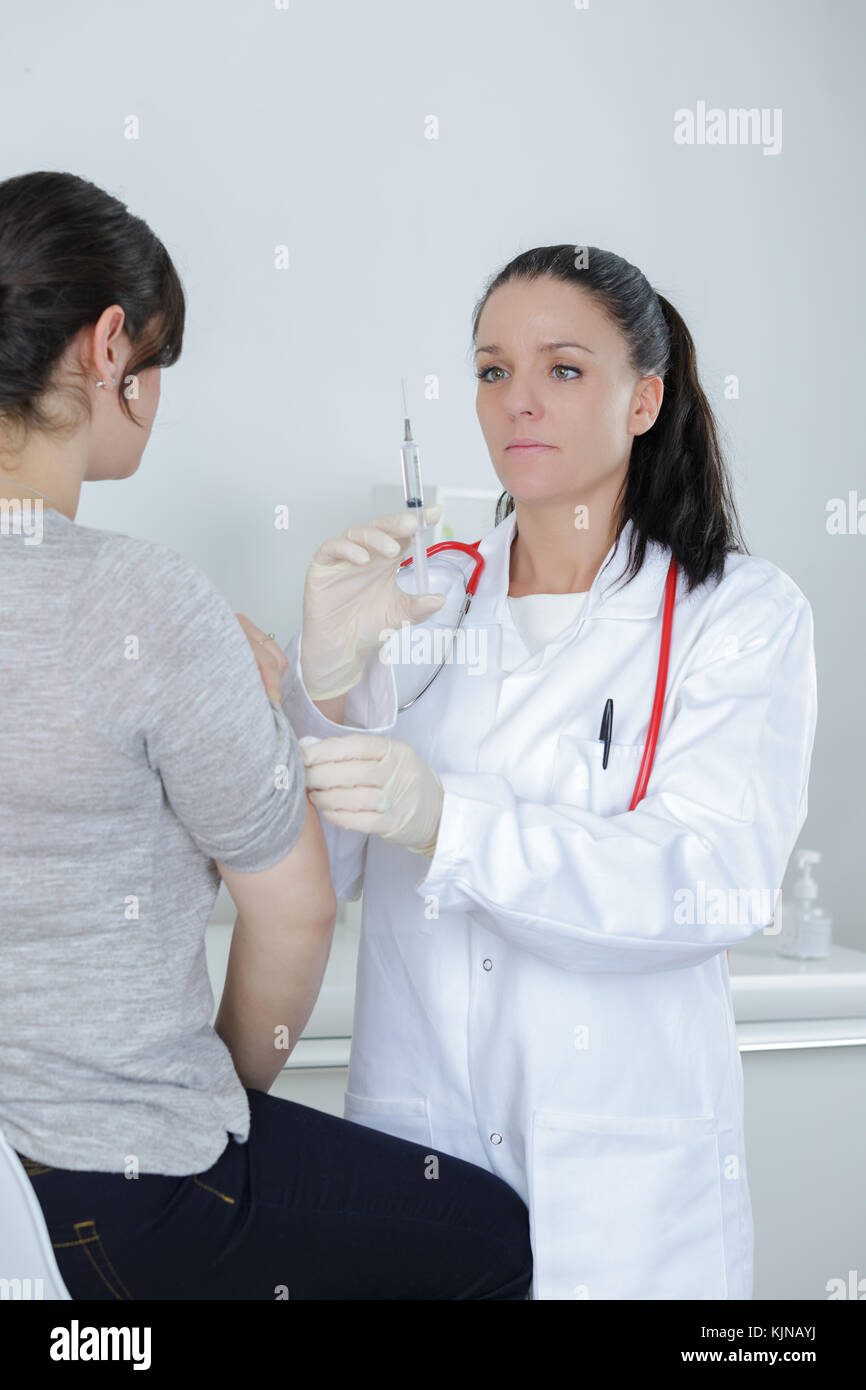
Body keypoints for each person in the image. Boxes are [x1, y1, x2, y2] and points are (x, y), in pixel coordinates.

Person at [0, 170, 532, 1300]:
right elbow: (294, 912)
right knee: (490, 1237)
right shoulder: (141, 600)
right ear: (108, 346)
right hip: (116, 1191)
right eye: (158, 361)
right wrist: (218, 1103)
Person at [275, 243, 818, 1300]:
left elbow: (710, 879)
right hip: (421, 1148)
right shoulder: (422, 597)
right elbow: (315, 874)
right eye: (492, 371)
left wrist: (454, 824)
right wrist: (323, 688)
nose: (517, 400)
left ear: (643, 399)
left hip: (618, 1187)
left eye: (562, 369)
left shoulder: (739, 615)